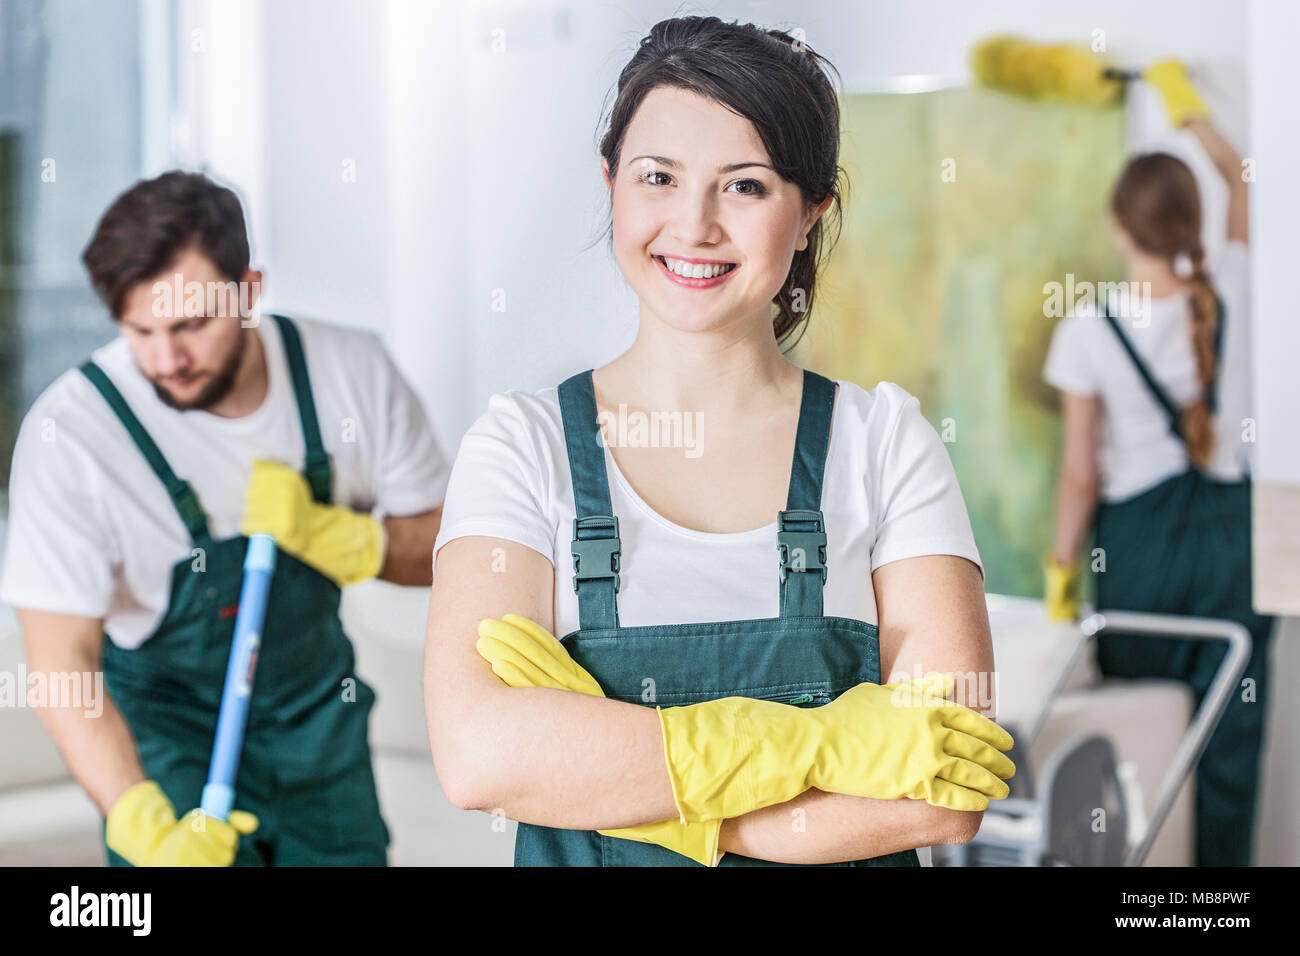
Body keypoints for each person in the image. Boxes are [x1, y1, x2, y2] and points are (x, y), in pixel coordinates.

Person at [424, 16, 1015, 868]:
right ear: (612, 186)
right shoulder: (524, 448)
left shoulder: (886, 444)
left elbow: (946, 792)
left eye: (744, 187)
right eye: (658, 176)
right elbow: (479, 755)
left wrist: (616, 790)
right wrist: (815, 748)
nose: (694, 225)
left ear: (811, 212)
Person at [0, 170, 450, 866]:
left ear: (248, 291)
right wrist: (142, 826)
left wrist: (344, 538)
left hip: (319, 734)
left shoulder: (351, 372)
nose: (166, 359)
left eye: (191, 325)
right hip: (167, 747)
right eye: (139, 330)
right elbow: (63, 666)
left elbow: (452, 551)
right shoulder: (74, 435)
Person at [1042, 64, 1274, 866]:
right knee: (1228, 744)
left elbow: (1079, 475)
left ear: (1120, 226)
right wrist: (1188, 108)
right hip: (1237, 543)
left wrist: (1060, 573)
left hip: (1137, 549)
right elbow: (1242, 177)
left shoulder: (1088, 328)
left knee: (1142, 736)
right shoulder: (1236, 286)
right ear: (1188, 224)